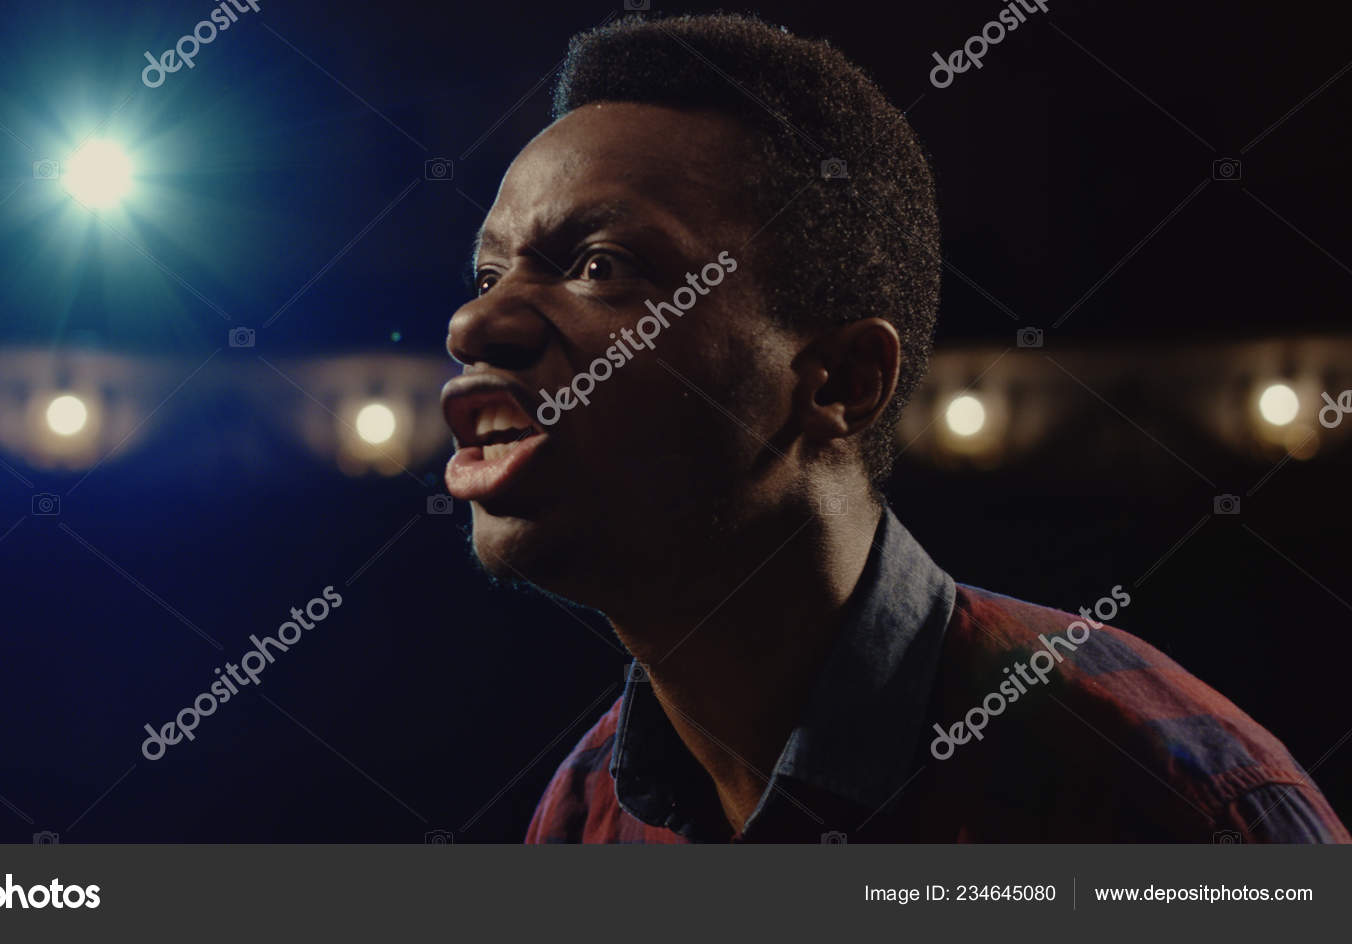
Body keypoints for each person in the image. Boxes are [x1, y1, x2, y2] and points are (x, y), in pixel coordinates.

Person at [439, 13, 1347, 842]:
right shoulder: (583, 816)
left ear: (842, 381)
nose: (473, 327)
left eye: (601, 264)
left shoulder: (1169, 807)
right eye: (487, 277)